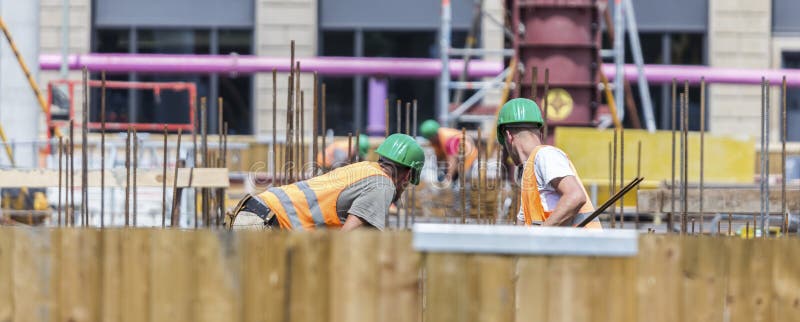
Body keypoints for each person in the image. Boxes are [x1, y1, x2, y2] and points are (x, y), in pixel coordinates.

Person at [225, 133, 424, 231]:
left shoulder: (363, 168)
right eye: (408, 183)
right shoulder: (384, 185)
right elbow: (348, 239)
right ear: (407, 176)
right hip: (265, 224)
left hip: (255, 214)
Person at [495, 98, 601, 228]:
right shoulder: (529, 174)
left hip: (582, 246)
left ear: (509, 136)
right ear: (539, 133)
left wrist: (541, 233)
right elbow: (522, 223)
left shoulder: (545, 156)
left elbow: (575, 196)